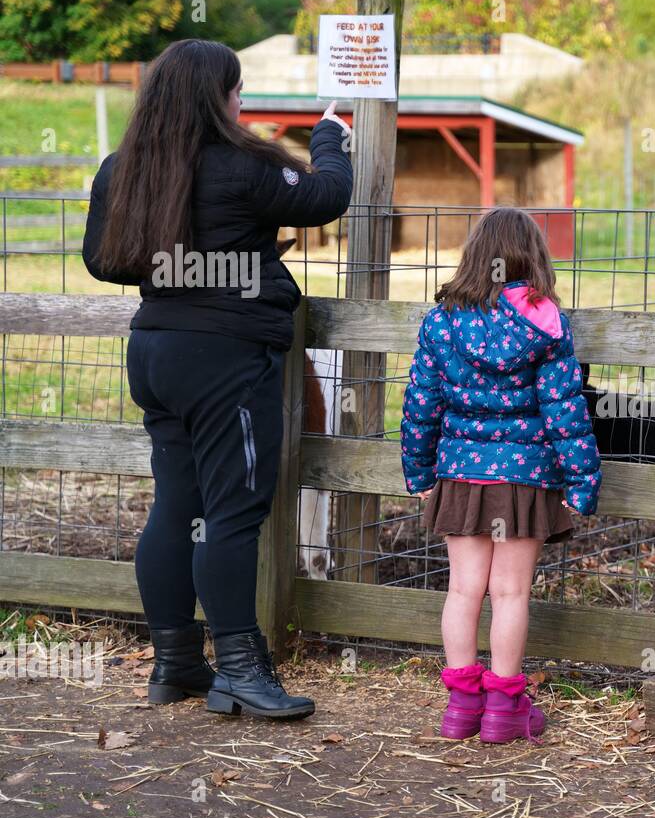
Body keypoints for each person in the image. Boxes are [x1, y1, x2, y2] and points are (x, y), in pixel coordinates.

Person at [82, 39, 353, 720]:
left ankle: (175, 663)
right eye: (235, 90)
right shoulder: (241, 165)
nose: (240, 101)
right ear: (215, 97)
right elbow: (325, 197)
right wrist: (332, 135)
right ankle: (241, 670)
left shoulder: (124, 169)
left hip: (156, 352)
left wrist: (176, 270)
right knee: (233, 511)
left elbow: (102, 261)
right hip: (224, 362)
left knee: (178, 506)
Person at [401, 207, 602, 743]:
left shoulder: (442, 321)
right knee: (510, 592)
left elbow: (422, 404)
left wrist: (418, 471)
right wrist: (582, 483)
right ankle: (503, 710)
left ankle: (461, 707)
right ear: (532, 257)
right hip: (523, 480)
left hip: (462, 477)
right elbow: (566, 411)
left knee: (464, 589)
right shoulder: (546, 322)